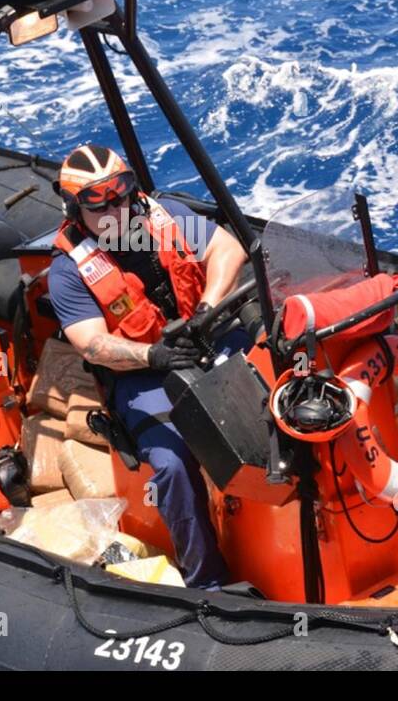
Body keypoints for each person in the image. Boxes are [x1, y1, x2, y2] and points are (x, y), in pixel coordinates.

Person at [48, 144, 248, 589]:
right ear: (75, 208)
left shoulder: (167, 214)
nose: (115, 210)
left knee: (283, 404)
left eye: (120, 195)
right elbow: (93, 344)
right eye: (98, 203)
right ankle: (207, 583)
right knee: (172, 464)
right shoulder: (68, 270)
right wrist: (152, 355)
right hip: (142, 373)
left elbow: (229, 251)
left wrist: (205, 311)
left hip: (205, 338)